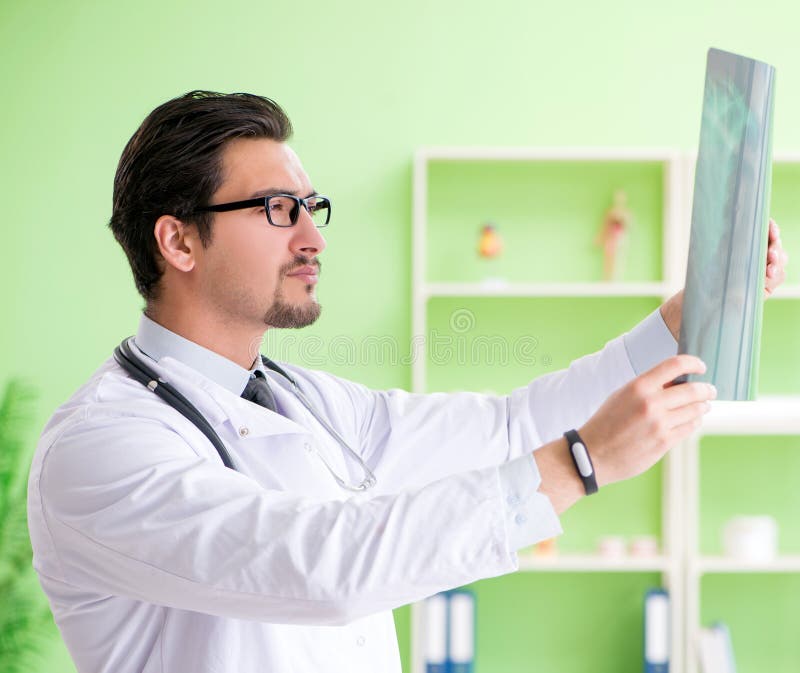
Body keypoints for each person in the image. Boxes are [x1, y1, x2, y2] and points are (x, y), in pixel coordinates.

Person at [27, 91, 787, 673]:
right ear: (179, 239)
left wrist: (681, 323)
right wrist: (579, 464)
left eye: (312, 208)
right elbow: (324, 567)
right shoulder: (100, 448)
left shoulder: (309, 401)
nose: (313, 236)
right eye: (279, 209)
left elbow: (506, 428)